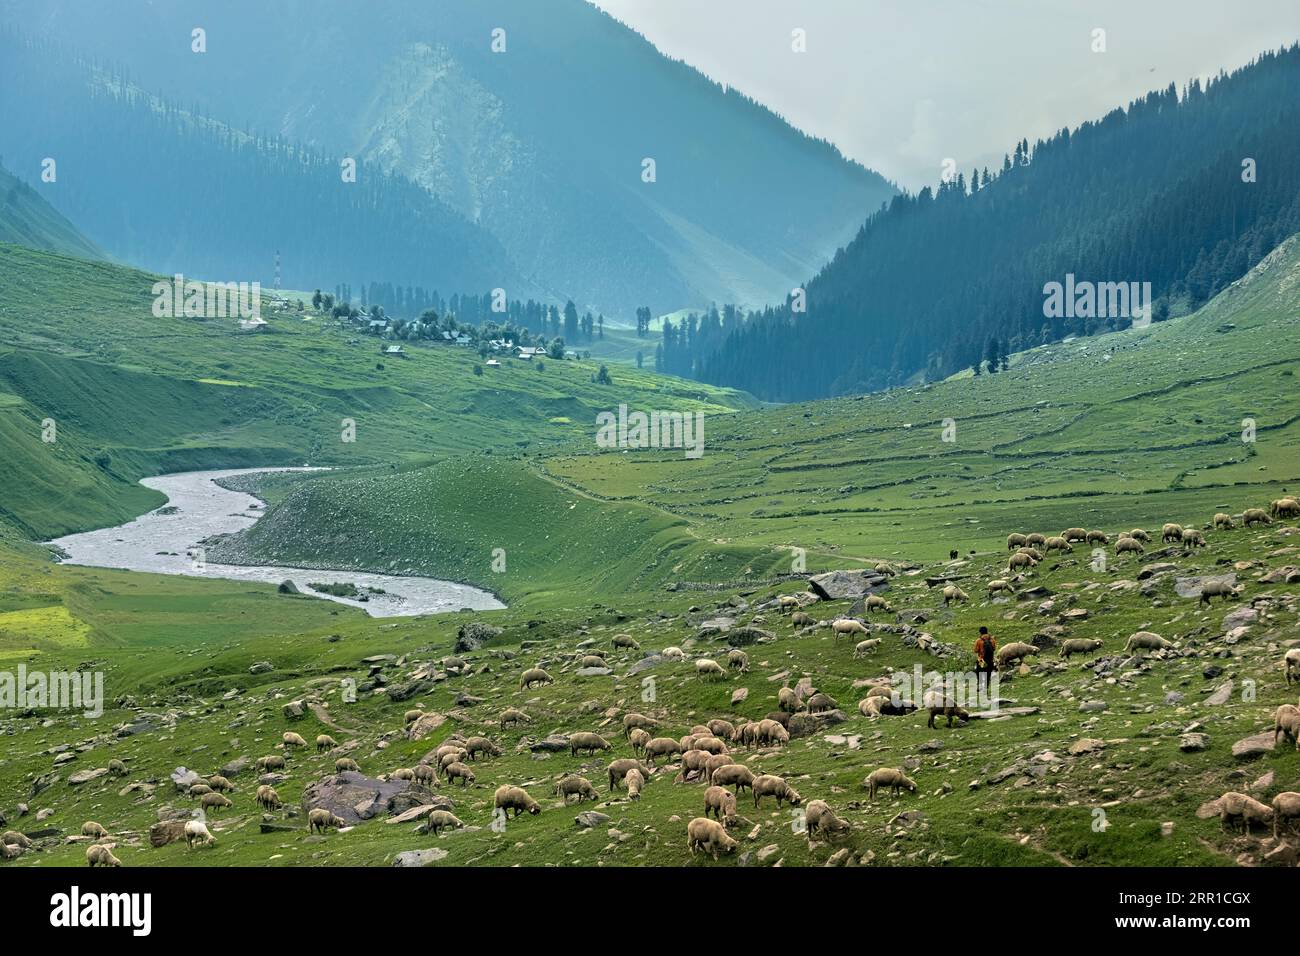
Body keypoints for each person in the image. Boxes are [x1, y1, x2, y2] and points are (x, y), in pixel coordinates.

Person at [973, 626, 997, 693]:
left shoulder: (978, 640)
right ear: (987, 631)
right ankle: (985, 689)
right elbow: (994, 649)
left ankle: (980, 687)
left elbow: (975, 650)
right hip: (990, 660)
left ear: (980, 632)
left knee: (979, 672)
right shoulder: (992, 640)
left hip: (981, 660)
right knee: (988, 674)